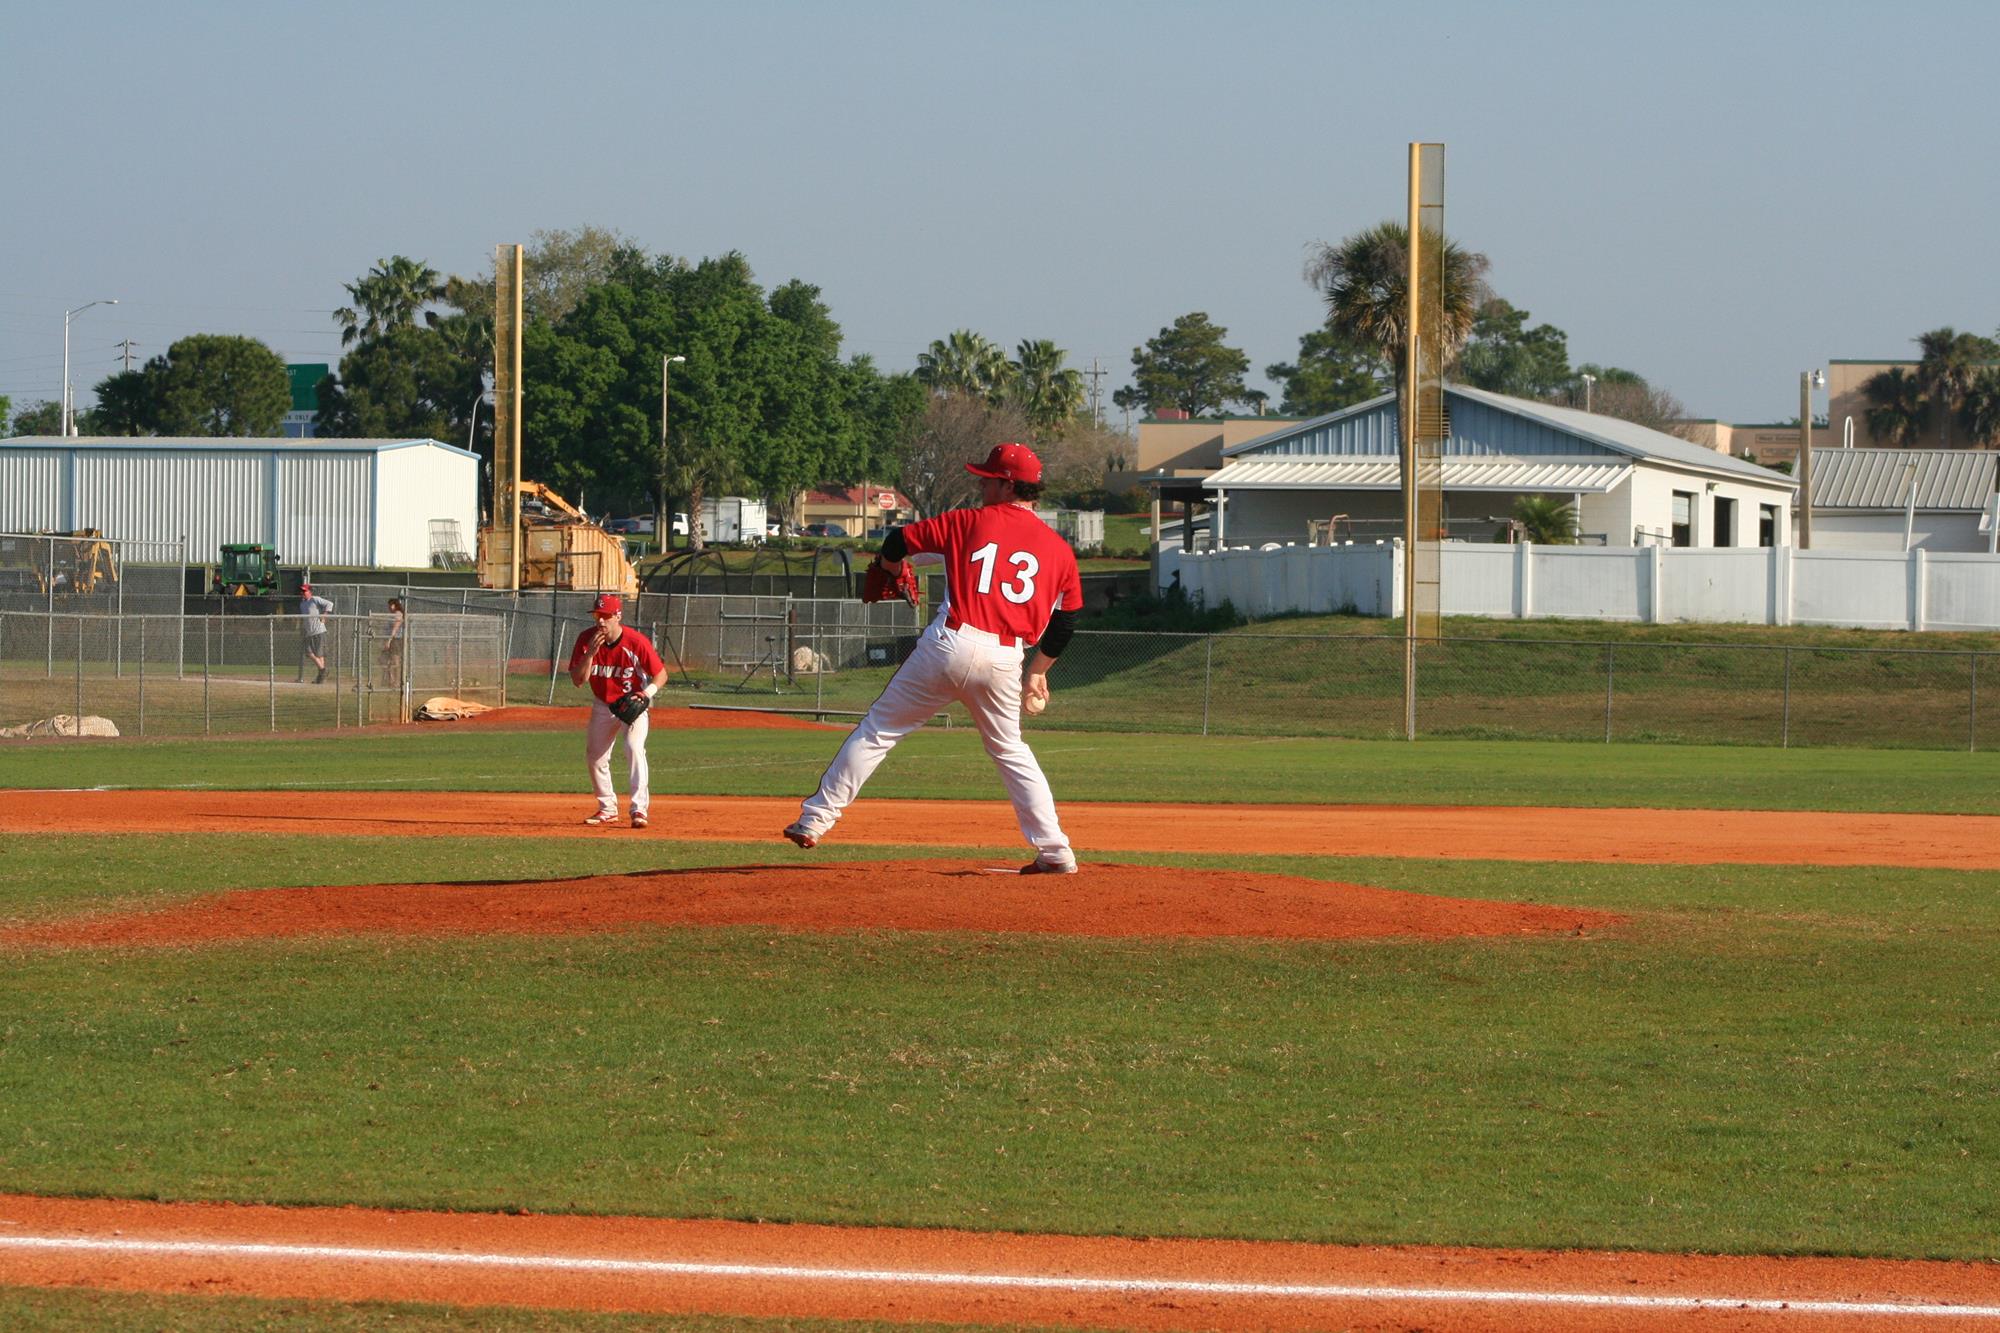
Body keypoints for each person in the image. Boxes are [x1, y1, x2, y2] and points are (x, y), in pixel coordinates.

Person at [785, 441, 1083, 874]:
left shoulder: (968, 521)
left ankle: (815, 819)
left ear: (1005, 485)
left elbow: (897, 540)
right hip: (1005, 658)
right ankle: (1056, 851)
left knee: (879, 730)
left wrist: (890, 570)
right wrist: (1038, 672)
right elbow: (1067, 620)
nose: (981, 486)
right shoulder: (1059, 550)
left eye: (987, 480)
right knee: (1011, 751)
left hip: (949, 642)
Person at [567, 592, 668, 829]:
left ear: (618, 616)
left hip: (632, 704)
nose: (600, 620)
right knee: (595, 757)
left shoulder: (635, 642)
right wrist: (590, 654)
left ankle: (639, 810)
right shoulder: (586, 640)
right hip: (603, 704)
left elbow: (661, 674)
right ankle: (608, 809)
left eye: (606, 615)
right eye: (597, 615)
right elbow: (578, 680)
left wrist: (647, 694)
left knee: (633, 748)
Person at [297, 582, 334, 684]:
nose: (303, 593)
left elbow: (329, 604)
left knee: (319, 655)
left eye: (305, 591)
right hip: (309, 633)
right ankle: (323, 670)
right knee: (309, 653)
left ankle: (321, 677)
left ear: (310, 592)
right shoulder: (302, 604)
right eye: (302, 591)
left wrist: (324, 615)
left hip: (319, 631)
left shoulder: (315, 599)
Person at [378, 597, 405, 686]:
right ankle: (390, 679)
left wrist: (389, 640)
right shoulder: (392, 614)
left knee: (395, 661)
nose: (389, 607)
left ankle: (397, 681)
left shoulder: (398, 614)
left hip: (396, 640)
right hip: (390, 639)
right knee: (383, 660)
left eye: (391, 605)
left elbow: (395, 629)